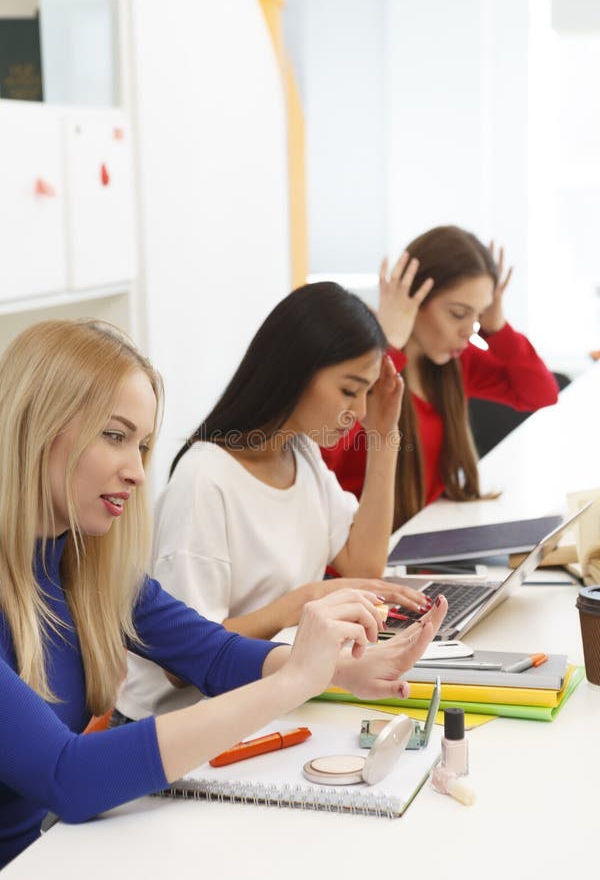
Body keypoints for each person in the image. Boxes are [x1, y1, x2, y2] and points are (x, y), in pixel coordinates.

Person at [0, 318, 448, 869]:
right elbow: (66, 777)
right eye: (114, 436)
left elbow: (209, 652)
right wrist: (293, 682)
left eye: (142, 445)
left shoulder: (85, 564)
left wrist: (337, 668)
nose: (138, 472)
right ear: (34, 426)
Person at [116, 281, 432, 722]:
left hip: (260, 708)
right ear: (296, 372)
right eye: (348, 390)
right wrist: (303, 602)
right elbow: (179, 666)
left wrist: (383, 438)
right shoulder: (205, 480)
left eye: (367, 393)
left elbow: (363, 566)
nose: (360, 410)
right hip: (179, 729)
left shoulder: (301, 454)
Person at [321, 226, 560, 530]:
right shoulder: (361, 364)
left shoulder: (457, 364)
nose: (469, 330)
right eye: (459, 313)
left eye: (478, 316)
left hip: (423, 541)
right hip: (358, 551)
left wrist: (496, 326)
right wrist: (387, 344)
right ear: (412, 298)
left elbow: (540, 393)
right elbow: (323, 455)